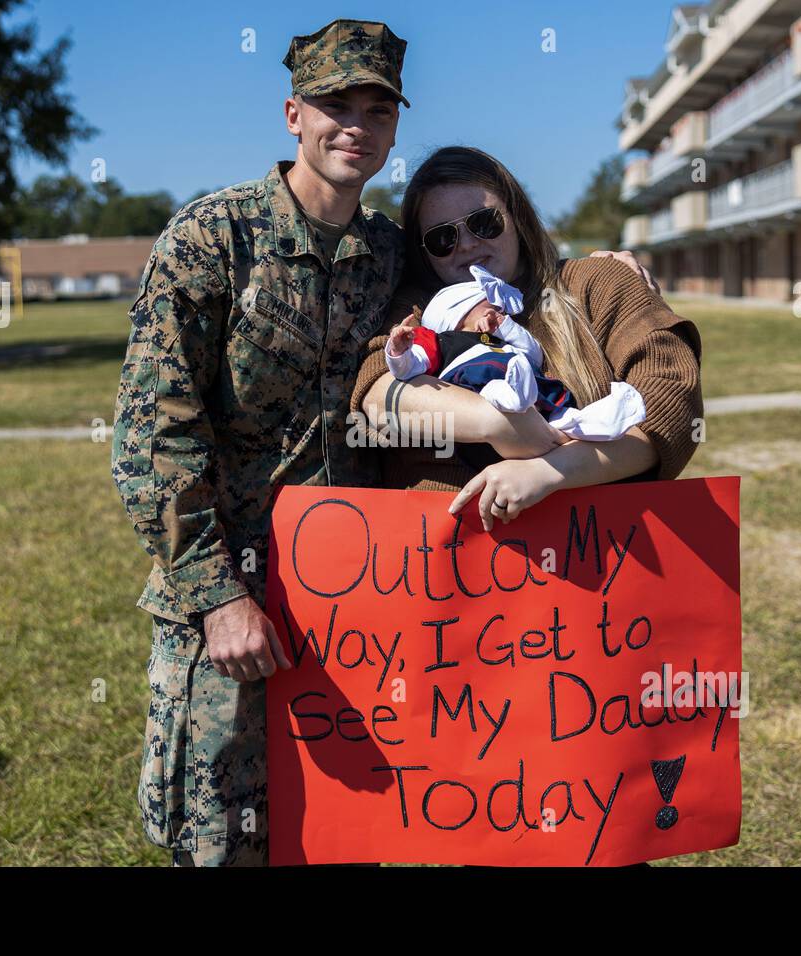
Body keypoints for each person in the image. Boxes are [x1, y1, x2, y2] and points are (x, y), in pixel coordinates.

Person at [110, 18, 411, 867]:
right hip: (232, 614)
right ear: (292, 114)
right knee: (223, 846)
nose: (355, 124)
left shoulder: (391, 256)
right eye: (333, 103)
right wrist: (217, 596)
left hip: (354, 603)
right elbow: (154, 434)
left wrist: (611, 273)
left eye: (377, 108)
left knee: (348, 837)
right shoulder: (216, 238)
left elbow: (497, 298)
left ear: (395, 127)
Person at [352, 146, 704, 532]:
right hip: (443, 565)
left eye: (484, 222)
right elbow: (375, 394)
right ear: (425, 254)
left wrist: (550, 471)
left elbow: (671, 402)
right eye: (442, 238)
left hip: (594, 557)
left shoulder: (597, 282)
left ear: (517, 217)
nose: (466, 244)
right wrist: (499, 425)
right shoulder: (421, 310)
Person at [384, 262, 647, 440]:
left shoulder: (499, 340)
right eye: (491, 306)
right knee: (493, 390)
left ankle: (612, 416)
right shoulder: (442, 341)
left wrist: (505, 327)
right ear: (458, 312)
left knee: (566, 417)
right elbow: (411, 368)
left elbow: (534, 354)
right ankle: (512, 396)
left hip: (530, 388)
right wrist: (398, 350)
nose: (500, 311)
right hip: (477, 384)